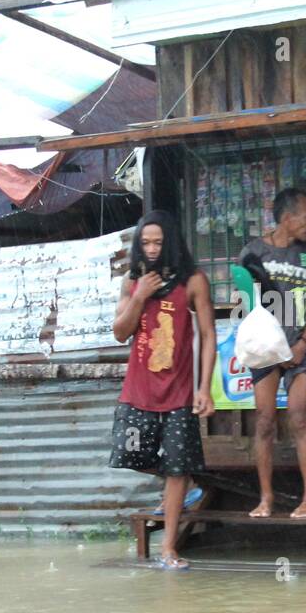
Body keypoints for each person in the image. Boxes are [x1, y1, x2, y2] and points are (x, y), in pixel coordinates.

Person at [110, 211, 216, 570]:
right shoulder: (131, 281)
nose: (152, 249)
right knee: (129, 453)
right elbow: (120, 332)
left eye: (158, 242)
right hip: (138, 389)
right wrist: (141, 296)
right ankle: (182, 480)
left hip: (180, 391)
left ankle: (169, 548)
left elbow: (208, 336)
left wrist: (205, 388)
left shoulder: (195, 281)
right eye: (146, 243)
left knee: (175, 467)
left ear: (170, 241)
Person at [236, 188, 306, 519]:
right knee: (265, 422)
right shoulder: (253, 252)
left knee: (299, 416)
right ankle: (266, 499)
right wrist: (275, 345)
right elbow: (246, 304)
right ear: (287, 219)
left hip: (301, 348)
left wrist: (302, 342)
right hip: (266, 350)